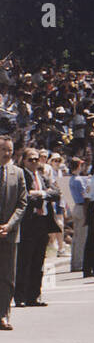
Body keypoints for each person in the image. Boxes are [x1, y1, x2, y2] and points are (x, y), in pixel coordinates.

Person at [15, 147, 55, 306]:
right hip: (28, 222)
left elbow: (56, 193)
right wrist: (38, 195)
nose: (34, 162)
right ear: (23, 160)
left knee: (39, 260)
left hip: (43, 221)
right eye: (30, 159)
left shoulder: (43, 177)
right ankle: (21, 296)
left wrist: (42, 194)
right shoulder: (21, 175)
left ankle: (34, 295)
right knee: (25, 260)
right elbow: (24, 197)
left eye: (36, 159)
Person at [0, 135, 28, 331]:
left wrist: (9, 225)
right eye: (3, 149)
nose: (6, 153)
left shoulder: (17, 173)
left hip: (9, 233)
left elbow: (22, 203)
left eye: (9, 150)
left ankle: (3, 315)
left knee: (7, 277)